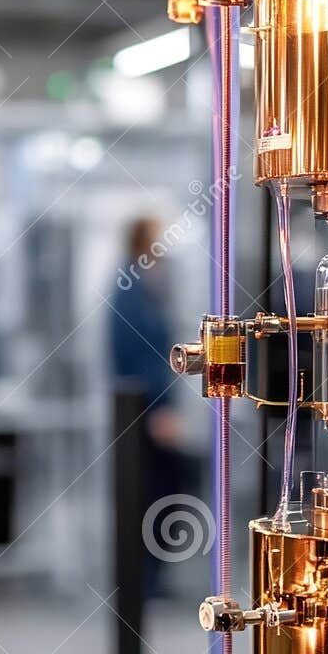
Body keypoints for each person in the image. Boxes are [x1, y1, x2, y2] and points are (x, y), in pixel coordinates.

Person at [109, 216, 200, 594]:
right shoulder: (130, 287)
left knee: (169, 482)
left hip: (153, 404)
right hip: (145, 408)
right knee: (158, 486)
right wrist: (159, 408)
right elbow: (135, 354)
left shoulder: (146, 285)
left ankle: (154, 574)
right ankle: (146, 578)